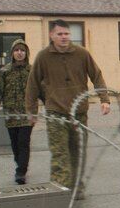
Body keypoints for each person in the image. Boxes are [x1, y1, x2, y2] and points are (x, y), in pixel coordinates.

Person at [25, 19, 111, 196]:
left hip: (79, 113)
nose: (64, 37)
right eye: (60, 34)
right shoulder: (43, 57)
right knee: (60, 154)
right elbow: (32, 85)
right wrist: (31, 111)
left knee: (77, 152)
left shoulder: (81, 54)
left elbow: (97, 75)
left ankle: (76, 188)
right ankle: (60, 192)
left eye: (66, 34)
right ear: (52, 35)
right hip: (55, 113)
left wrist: (104, 98)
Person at [0, 39, 34, 184]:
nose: (19, 53)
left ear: (26, 53)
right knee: (15, 144)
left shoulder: (32, 71)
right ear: (12, 53)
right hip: (11, 115)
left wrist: (50, 105)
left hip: (27, 114)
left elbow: (41, 89)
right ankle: (19, 164)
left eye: (22, 50)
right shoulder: (4, 72)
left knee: (23, 142)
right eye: (17, 50)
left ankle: (21, 172)